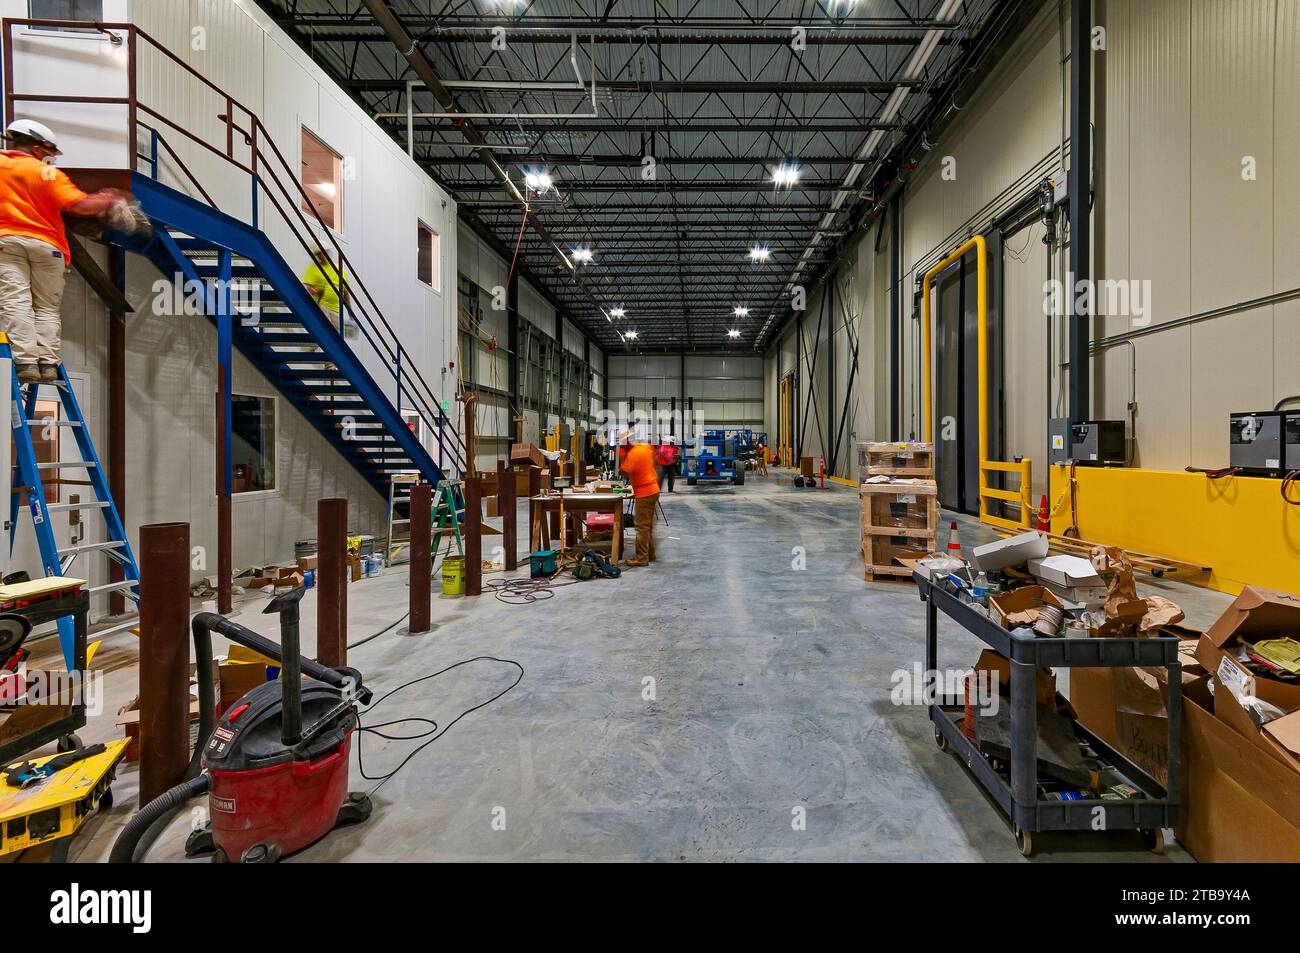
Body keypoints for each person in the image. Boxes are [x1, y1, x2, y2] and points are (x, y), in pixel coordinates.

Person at [0, 120, 125, 383]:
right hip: (48, 247)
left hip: (7, 243)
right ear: (36, 148)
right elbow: (78, 204)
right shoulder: (48, 174)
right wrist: (109, 199)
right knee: (46, 308)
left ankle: (26, 363)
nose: (48, 159)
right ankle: (47, 364)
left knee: (16, 302)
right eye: (47, 153)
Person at [618, 428, 659, 567]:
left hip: (645, 493)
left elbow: (624, 470)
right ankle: (650, 553)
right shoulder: (645, 447)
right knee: (648, 526)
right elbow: (656, 459)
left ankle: (641, 558)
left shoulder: (633, 454)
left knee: (641, 526)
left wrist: (622, 454)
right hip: (653, 489)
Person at [302, 246, 348, 335]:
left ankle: (313, 346)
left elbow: (346, 292)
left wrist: (349, 310)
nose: (320, 256)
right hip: (320, 305)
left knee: (337, 330)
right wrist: (317, 291)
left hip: (335, 309)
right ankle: (312, 346)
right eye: (318, 254)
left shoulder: (338, 269)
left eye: (322, 253)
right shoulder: (313, 268)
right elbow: (308, 287)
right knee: (324, 328)